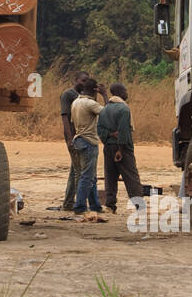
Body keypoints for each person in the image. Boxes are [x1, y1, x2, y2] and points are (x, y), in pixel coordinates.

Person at [98, 82, 144, 213]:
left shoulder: (104, 109)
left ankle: (110, 205)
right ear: (120, 92)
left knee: (110, 177)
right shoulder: (124, 109)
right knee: (131, 177)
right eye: (125, 91)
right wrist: (120, 150)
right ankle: (139, 205)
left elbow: (100, 130)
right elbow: (124, 131)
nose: (127, 93)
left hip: (108, 146)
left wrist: (109, 135)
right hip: (123, 148)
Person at [51, 72, 90, 211]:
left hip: (83, 135)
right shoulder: (68, 95)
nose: (84, 83)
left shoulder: (84, 96)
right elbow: (65, 117)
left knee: (75, 169)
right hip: (74, 136)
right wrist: (69, 138)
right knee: (80, 171)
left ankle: (68, 203)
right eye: (82, 80)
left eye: (87, 81)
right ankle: (80, 205)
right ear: (76, 80)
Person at [70, 78, 106, 216]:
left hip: (78, 139)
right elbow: (108, 113)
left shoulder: (76, 102)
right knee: (87, 176)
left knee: (91, 176)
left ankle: (95, 205)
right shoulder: (90, 103)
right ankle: (79, 206)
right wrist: (104, 94)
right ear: (95, 89)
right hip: (89, 140)